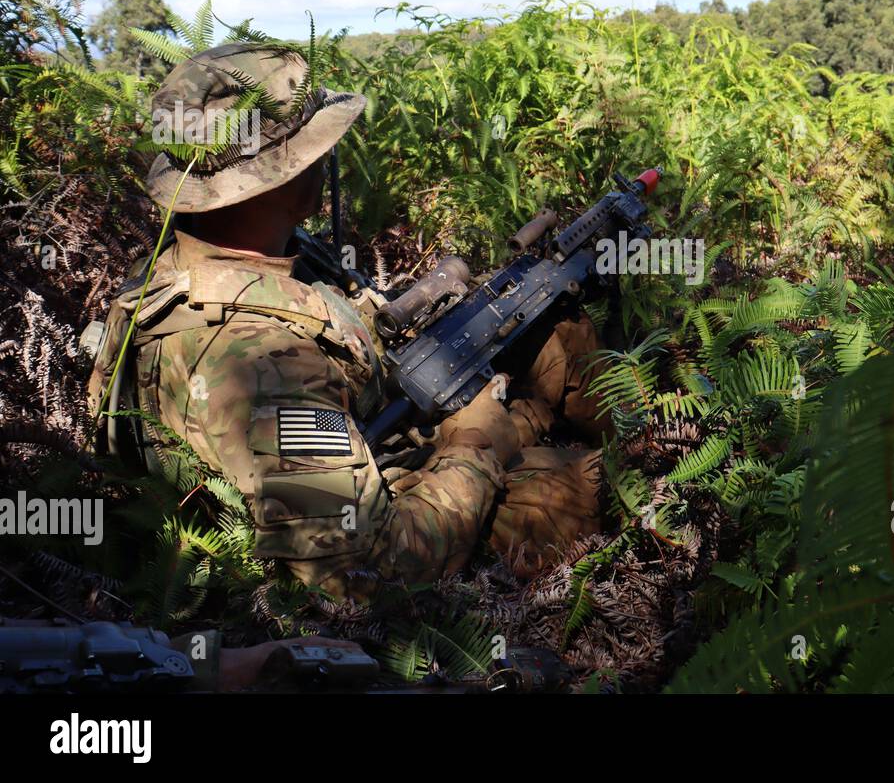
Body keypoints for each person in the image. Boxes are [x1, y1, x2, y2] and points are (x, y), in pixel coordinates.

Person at [85, 43, 609, 600]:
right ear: (280, 179)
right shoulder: (270, 369)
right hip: (343, 542)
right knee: (581, 487)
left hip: (343, 455)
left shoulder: (183, 265)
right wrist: (478, 445)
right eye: (317, 146)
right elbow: (371, 573)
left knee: (551, 337)